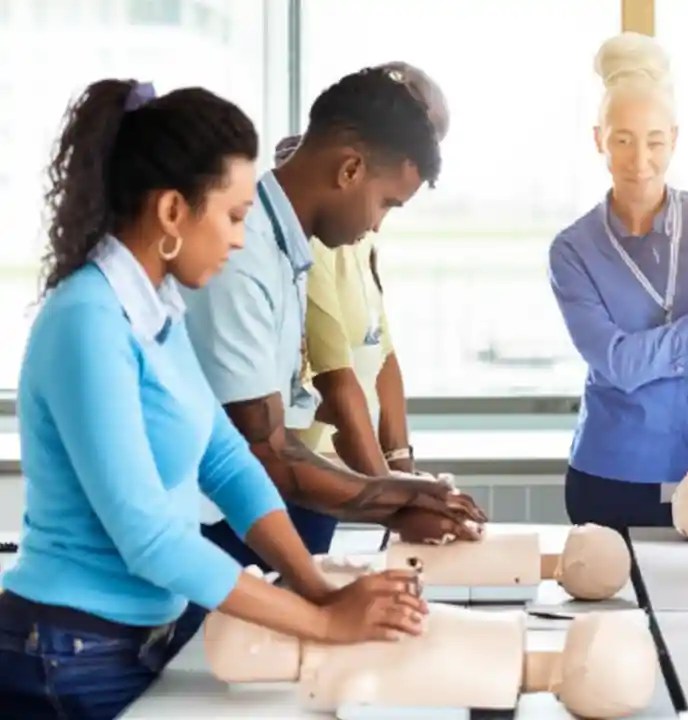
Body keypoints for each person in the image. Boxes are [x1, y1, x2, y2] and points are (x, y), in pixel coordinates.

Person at [0, 79, 425, 720]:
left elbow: (226, 461)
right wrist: (324, 622)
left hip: (133, 646)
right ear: (174, 212)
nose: (239, 238)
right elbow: (150, 538)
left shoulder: (158, 308)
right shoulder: (88, 319)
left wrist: (317, 587)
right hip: (66, 659)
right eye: (232, 215)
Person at [182, 64, 486, 574]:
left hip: (230, 517)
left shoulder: (284, 250)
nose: (377, 224)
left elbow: (283, 428)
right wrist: (399, 499)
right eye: (385, 203)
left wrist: (402, 491)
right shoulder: (243, 255)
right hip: (198, 530)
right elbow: (265, 450)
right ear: (350, 170)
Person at [549, 32, 688, 530]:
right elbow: (617, 364)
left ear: (674, 138)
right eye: (622, 140)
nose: (639, 160)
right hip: (617, 469)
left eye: (654, 141)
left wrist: (648, 356)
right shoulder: (573, 250)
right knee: (618, 583)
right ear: (598, 139)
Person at [280, 62, 452, 481]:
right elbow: (334, 381)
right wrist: (392, 496)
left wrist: (403, 468)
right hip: (316, 463)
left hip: (344, 467)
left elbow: (382, 349)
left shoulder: (359, 229)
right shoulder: (318, 231)